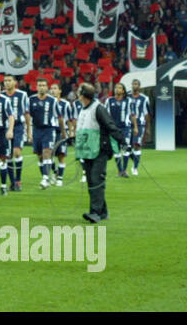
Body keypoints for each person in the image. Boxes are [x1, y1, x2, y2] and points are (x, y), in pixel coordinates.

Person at [73, 83, 128, 223]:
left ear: (83, 95)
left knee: (97, 180)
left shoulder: (98, 108)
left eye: (79, 92)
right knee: (92, 181)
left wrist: (122, 141)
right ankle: (103, 212)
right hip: (88, 151)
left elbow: (110, 125)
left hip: (99, 150)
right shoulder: (84, 109)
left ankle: (95, 212)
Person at [28, 78, 60, 189]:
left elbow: (59, 116)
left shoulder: (52, 100)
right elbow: (29, 116)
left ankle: (45, 178)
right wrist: (29, 132)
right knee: (40, 156)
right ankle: (52, 171)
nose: (41, 87)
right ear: (36, 87)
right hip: (36, 130)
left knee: (46, 152)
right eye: (39, 85)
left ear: (47, 87)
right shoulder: (31, 100)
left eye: (43, 85)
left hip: (49, 130)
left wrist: (63, 132)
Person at [3, 75, 31, 191]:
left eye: (9, 80)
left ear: (15, 82)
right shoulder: (2, 95)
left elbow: (27, 113)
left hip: (19, 126)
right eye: (5, 81)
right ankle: (12, 181)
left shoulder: (22, 95)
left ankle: (18, 180)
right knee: (8, 155)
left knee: (17, 152)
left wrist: (29, 131)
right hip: (5, 127)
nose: (7, 83)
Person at [50, 82, 76, 185]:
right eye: (51, 88)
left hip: (62, 131)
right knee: (48, 155)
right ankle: (55, 171)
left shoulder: (65, 104)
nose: (53, 90)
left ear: (60, 91)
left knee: (61, 155)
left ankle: (60, 178)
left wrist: (70, 133)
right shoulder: (49, 101)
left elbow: (69, 120)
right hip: (50, 131)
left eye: (55, 88)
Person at [106, 82, 134, 177]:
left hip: (125, 128)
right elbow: (105, 115)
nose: (117, 89)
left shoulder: (128, 101)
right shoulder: (109, 101)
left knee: (126, 148)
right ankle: (120, 170)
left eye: (119, 87)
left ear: (123, 91)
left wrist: (136, 127)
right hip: (113, 129)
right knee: (116, 150)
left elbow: (132, 114)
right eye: (116, 87)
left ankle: (125, 170)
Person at [129, 79, 150, 172]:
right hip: (128, 124)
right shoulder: (127, 97)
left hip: (140, 123)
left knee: (137, 145)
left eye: (136, 84)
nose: (134, 86)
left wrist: (147, 128)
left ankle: (135, 167)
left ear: (139, 86)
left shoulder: (144, 98)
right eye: (133, 84)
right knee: (126, 146)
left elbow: (147, 114)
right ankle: (135, 159)